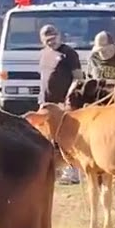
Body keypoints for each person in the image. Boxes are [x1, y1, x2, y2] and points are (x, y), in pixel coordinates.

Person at [37, 24, 84, 184]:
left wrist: (69, 97)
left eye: (53, 38)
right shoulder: (44, 53)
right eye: (47, 39)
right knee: (48, 137)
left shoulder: (69, 54)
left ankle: (73, 171)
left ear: (59, 35)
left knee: (67, 137)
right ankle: (55, 168)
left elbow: (78, 78)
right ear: (42, 40)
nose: (51, 42)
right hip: (45, 102)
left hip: (63, 102)